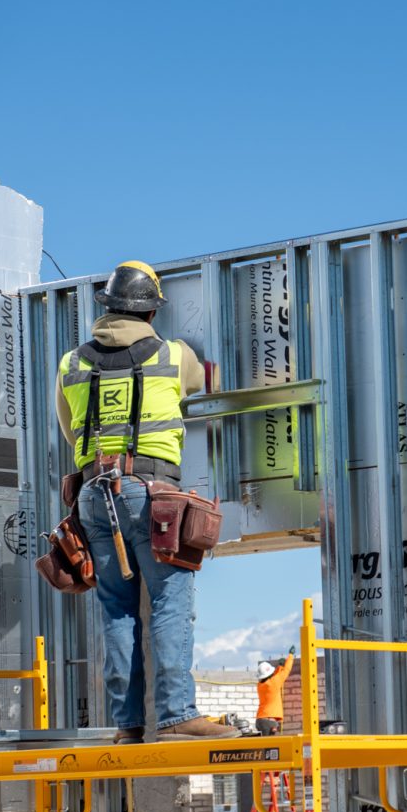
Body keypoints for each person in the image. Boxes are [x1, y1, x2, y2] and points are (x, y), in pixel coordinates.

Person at [55, 260, 239, 745]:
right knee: (169, 603)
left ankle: (128, 725)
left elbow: (69, 428)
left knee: (116, 610)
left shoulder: (71, 364)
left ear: (107, 307)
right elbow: (203, 381)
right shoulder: (172, 355)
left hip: (93, 496)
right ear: (151, 313)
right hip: (149, 496)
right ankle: (178, 714)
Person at [254, 651, 294, 736]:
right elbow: (286, 671)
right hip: (269, 721)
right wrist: (290, 655)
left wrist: (279, 667)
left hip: (260, 720)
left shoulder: (260, 685)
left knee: (265, 747)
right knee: (270, 748)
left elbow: (274, 678)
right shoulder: (273, 683)